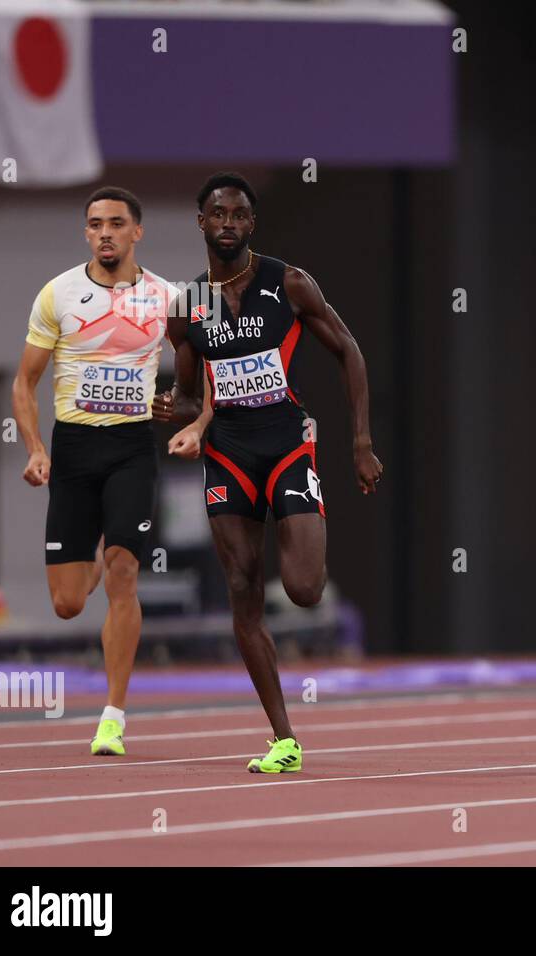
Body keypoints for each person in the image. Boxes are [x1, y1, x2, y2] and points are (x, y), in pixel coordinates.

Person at [154, 172, 383, 774]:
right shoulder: (187, 306)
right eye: (217, 214)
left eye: (238, 214)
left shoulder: (290, 282)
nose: (228, 223)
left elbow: (348, 349)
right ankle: (284, 736)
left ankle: (298, 524)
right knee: (241, 588)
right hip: (227, 453)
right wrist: (170, 413)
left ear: (251, 224)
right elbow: (184, 395)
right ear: (201, 223)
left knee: (305, 589)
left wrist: (360, 441)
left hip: (286, 446)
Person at [12, 186, 175, 756]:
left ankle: (113, 716)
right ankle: (102, 543)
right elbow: (24, 383)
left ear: (137, 232)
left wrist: (186, 410)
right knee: (68, 603)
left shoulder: (168, 297)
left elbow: (205, 365)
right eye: (94, 224)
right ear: (86, 233)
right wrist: (35, 448)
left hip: (132, 448)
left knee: (124, 572)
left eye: (115, 223)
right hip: (75, 450)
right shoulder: (58, 293)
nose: (104, 232)